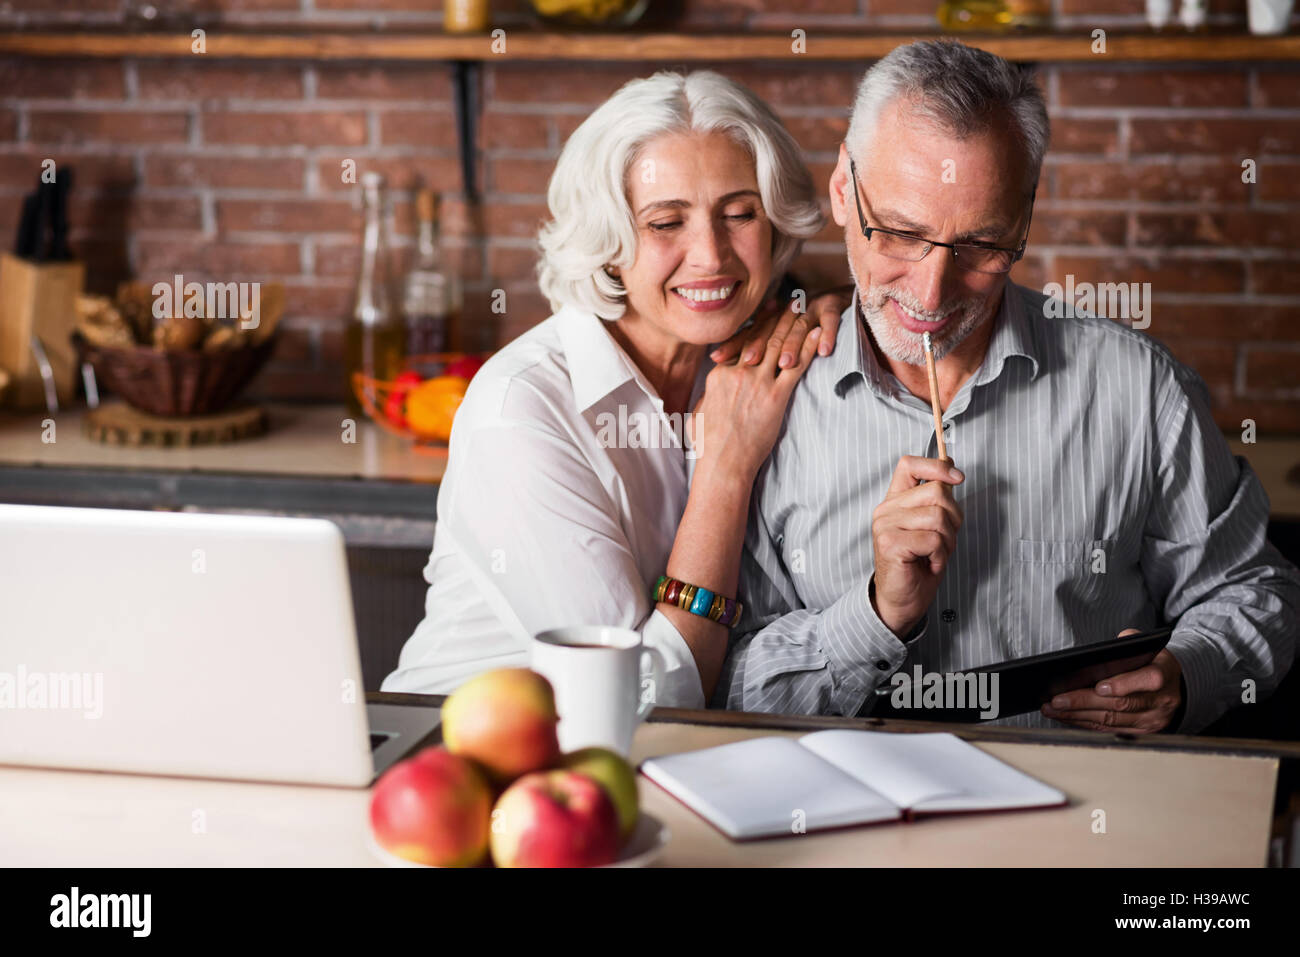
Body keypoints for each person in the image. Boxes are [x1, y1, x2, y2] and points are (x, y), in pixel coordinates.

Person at [715, 39, 1300, 733]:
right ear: (844, 188)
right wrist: (875, 614)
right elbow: (729, 691)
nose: (930, 292)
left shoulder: (1140, 388)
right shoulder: (760, 406)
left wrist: (1186, 674)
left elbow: (1255, 591)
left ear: (1024, 216)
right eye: (900, 233)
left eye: (982, 246)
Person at [383, 70, 847, 707]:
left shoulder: (745, 357)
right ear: (608, 243)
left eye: (739, 214)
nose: (711, 255)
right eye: (665, 223)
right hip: (461, 754)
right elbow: (637, 696)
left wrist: (835, 303)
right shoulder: (521, 407)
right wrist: (724, 470)